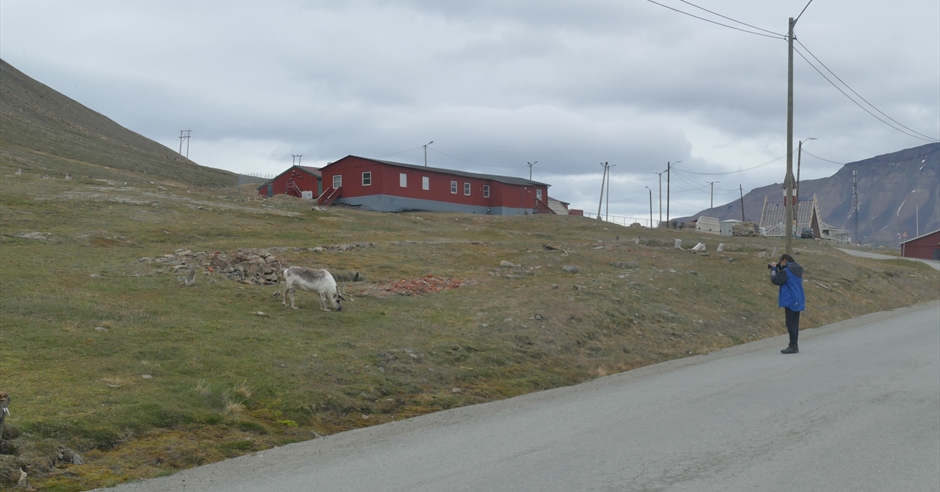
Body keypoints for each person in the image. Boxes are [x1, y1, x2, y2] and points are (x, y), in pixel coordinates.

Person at [769, 253, 805, 354]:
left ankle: (793, 345)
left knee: (789, 323)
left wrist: (773, 269)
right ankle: (794, 344)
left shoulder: (787, 271)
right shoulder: (798, 269)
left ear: (784, 261)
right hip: (798, 298)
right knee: (795, 323)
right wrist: (779, 267)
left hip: (790, 299)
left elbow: (775, 280)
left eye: (781, 262)